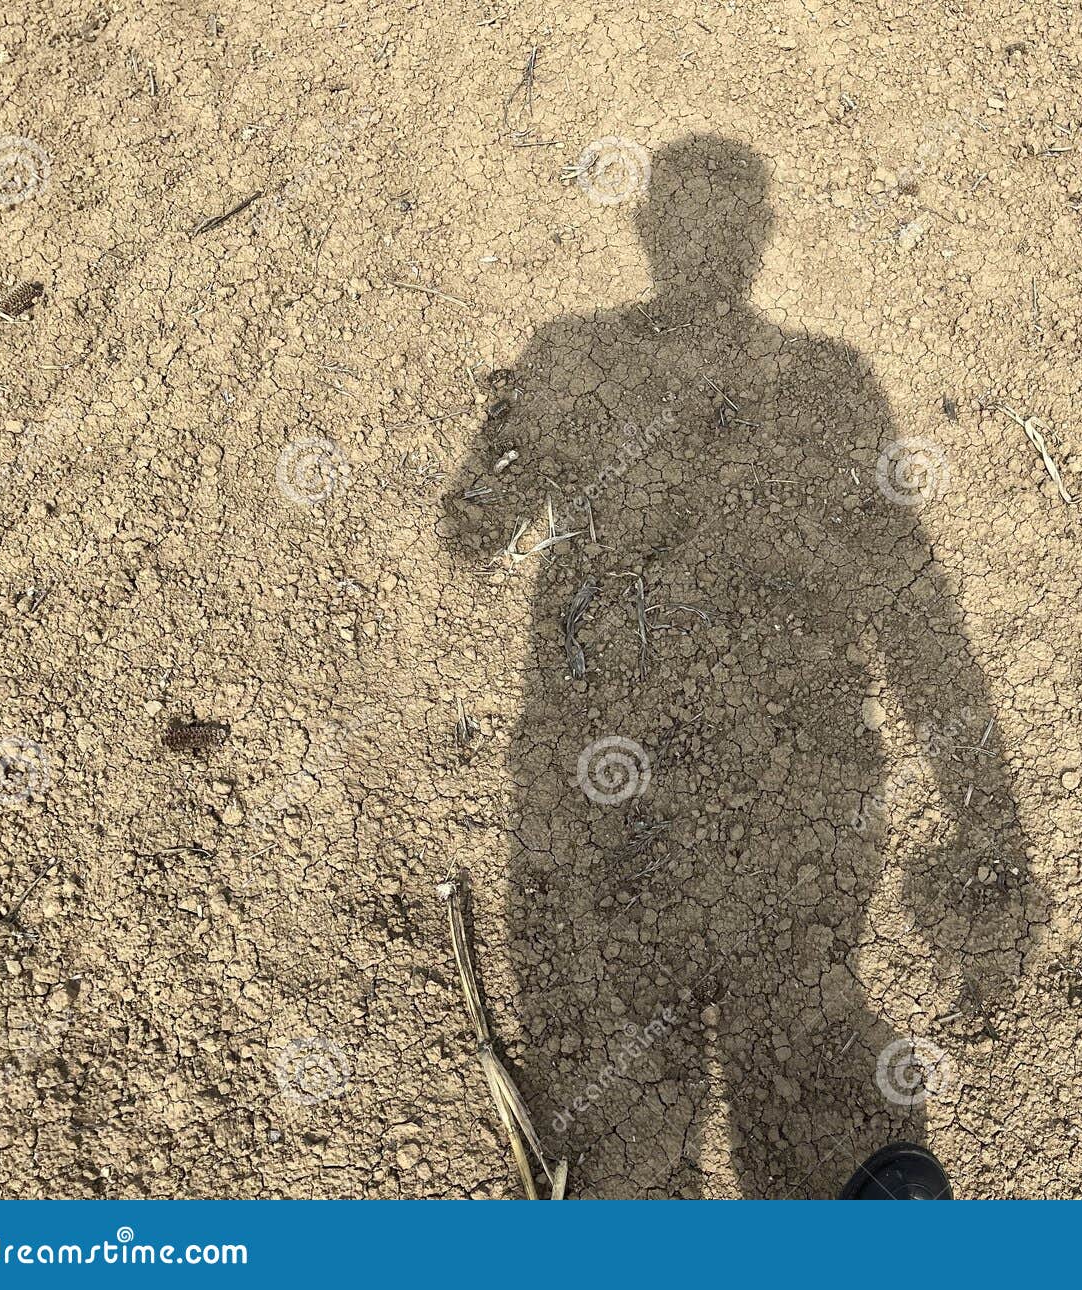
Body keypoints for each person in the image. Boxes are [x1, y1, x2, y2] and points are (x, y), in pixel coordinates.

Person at [442, 135, 1040, 1198]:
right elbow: (476, 530)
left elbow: (474, 533)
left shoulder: (810, 377)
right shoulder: (811, 376)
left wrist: (504, 447)